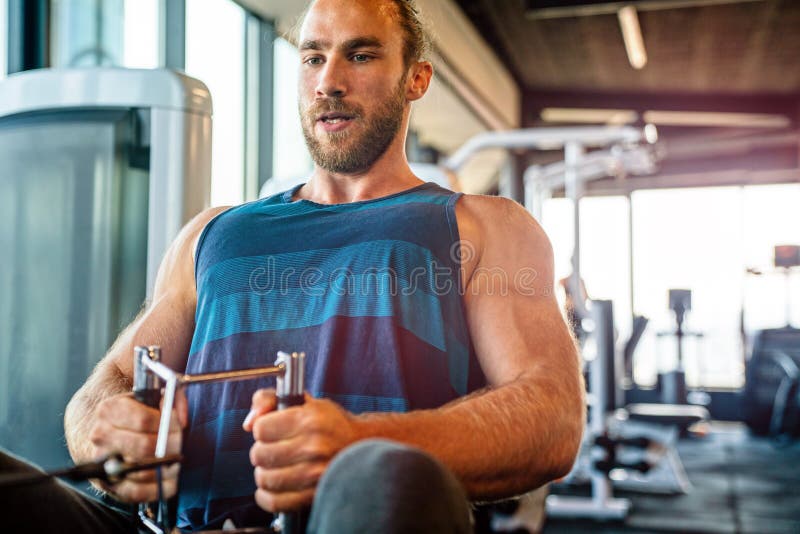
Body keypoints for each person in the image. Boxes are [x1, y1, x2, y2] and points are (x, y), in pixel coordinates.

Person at [2, 0, 584, 532]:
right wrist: (105, 433)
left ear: (416, 79)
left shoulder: (483, 226)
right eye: (313, 57)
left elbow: (552, 415)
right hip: (171, 526)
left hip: (357, 516)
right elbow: (107, 386)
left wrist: (358, 443)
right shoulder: (212, 232)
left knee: (383, 478)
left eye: (359, 55)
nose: (328, 81)